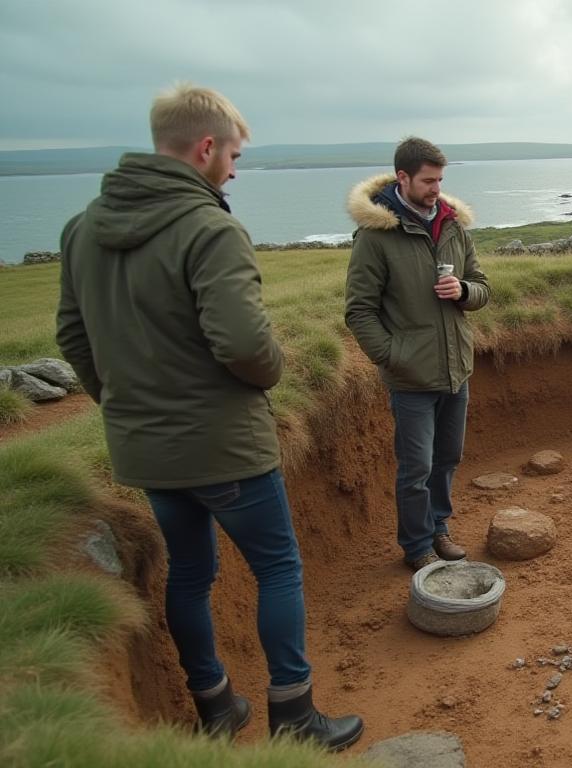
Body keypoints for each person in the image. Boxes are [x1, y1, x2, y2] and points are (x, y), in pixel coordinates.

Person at [56, 83, 362, 750]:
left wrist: (125, 409)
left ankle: (216, 705)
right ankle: (296, 716)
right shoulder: (208, 227)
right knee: (279, 568)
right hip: (224, 447)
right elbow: (247, 348)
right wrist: (275, 370)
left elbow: (74, 339)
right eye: (232, 154)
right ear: (204, 148)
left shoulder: (82, 228)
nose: (234, 167)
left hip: (147, 451)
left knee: (192, 575)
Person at [345, 137, 490, 571]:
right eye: (428, 181)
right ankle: (416, 547)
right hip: (411, 377)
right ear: (402, 178)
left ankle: (438, 529)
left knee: (447, 459)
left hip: (455, 369)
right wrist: (393, 356)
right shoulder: (375, 236)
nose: (436, 189)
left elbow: (483, 286)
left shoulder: (453, 227)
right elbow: (359, 311)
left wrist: (464, 291)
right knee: (415, 469)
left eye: (441, 180)